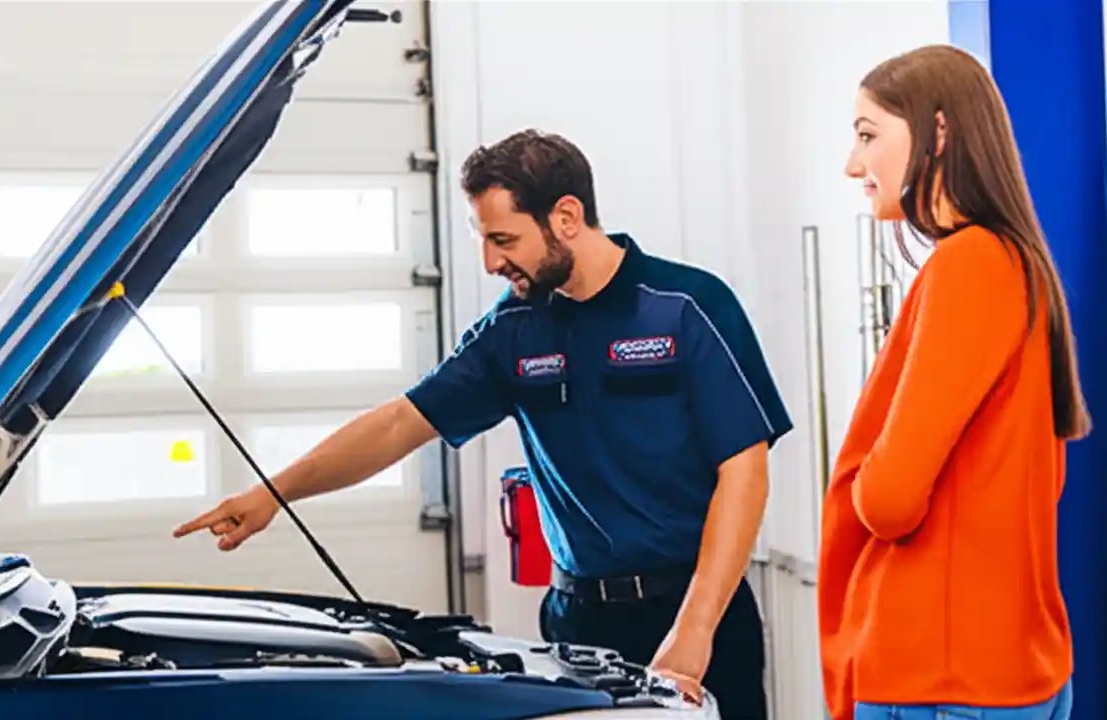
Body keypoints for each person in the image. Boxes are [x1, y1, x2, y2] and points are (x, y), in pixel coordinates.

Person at [173, 129, 793, 718]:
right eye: (483, 239)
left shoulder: (687, 307)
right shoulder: (514, 328)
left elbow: (744, 472)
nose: (491, 261)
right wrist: (274, 493)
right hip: (578, 624)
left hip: (697, 609)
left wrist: (694, 629)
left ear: (566, 217)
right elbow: (399, 423)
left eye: (503, 239)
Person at [818, 45, 1090, 720]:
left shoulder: (969, 265)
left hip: (942, 677)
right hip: (1004, 666)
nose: (853, 164)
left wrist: (861, 476)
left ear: (938, 131)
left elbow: (889, 500)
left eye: (868, 135)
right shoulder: (1016, 262)